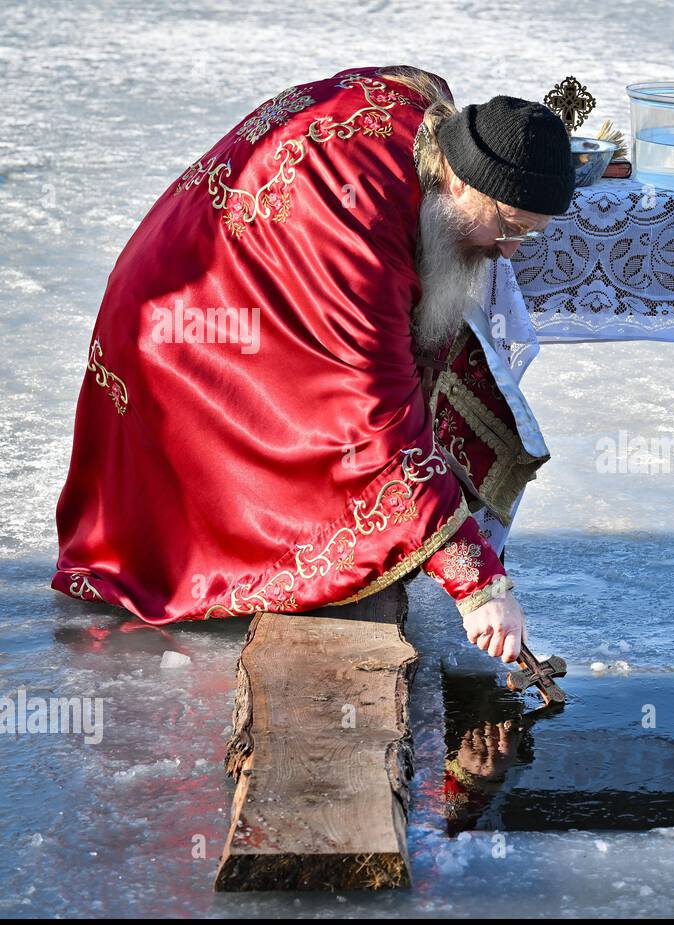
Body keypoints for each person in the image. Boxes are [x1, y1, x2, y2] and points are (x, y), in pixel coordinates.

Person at [50, 65, 574, 665]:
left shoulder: (430, 118)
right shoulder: (362, 237)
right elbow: (375, 417)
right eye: (508, 227)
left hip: (233, 280)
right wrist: (478, 583)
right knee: (294, 484)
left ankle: (416, 528)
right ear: (458, 184)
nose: (508, 252)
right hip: (182, 334)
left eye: (528, 237)